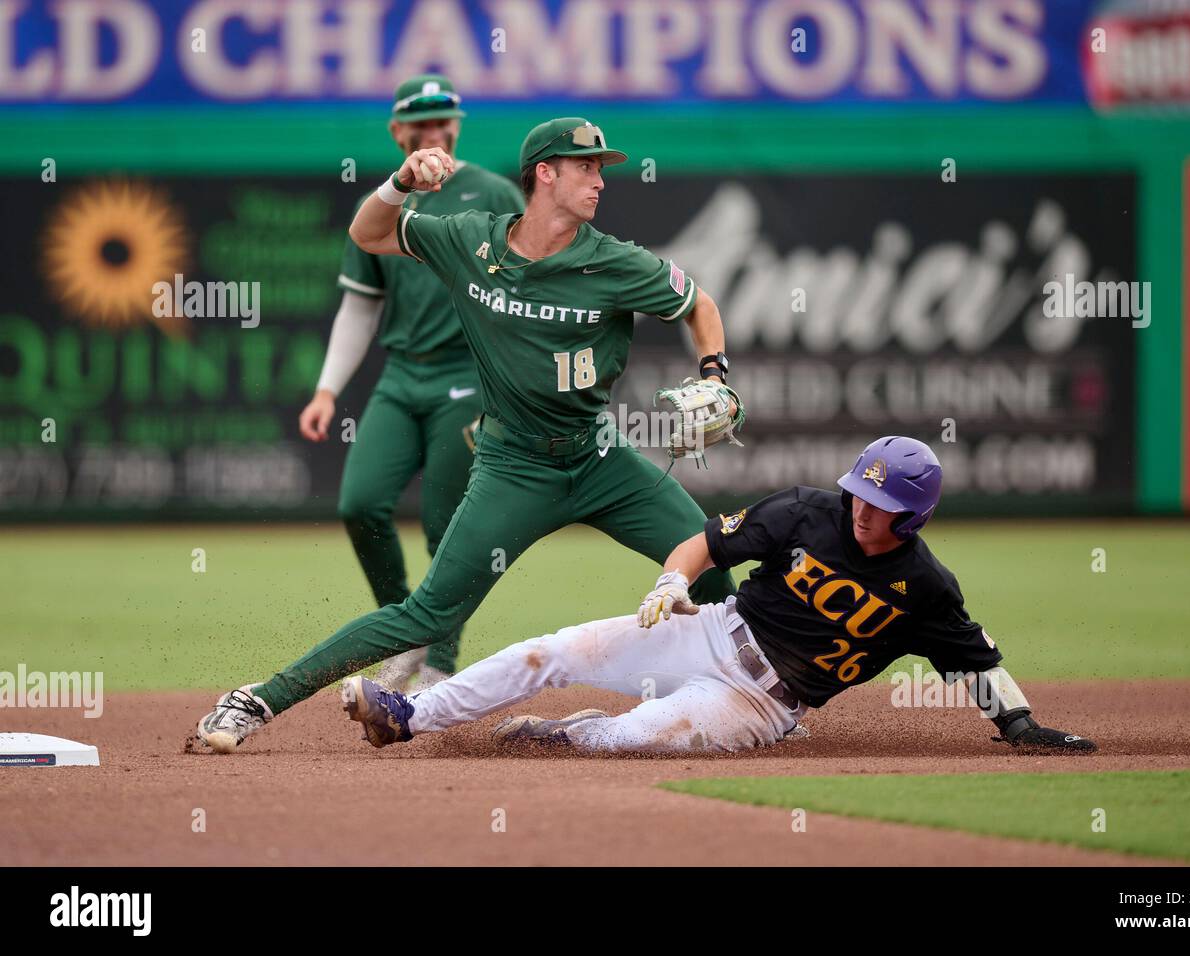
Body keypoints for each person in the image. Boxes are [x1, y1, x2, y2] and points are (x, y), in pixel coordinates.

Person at [196, 118, 739, 753]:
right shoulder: (469, 242)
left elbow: (700, 305)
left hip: (600, 461)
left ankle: (747, 693)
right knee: (429, 614)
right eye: (585, 166)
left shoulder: (614, 261)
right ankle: (258, 700)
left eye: (602, 168)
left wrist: (715, 374)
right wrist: (401, 181)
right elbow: (368, 231)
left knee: (709, 561)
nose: (599, 179)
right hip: (515, 467)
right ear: (545, 173)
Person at [339, 436, 1098, 755]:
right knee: (553, 649)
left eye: (883, 506)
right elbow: (710, 540)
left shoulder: (925, 588)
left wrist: (1021, 725)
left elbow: (973, 658)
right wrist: (674, 579)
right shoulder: (807, 510)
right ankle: (408, 715)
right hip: (710, 632)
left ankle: (562, 735)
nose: (864, 512)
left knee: (635, 738)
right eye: (860, 496)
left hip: (764, 703)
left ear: (916, 516)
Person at [298, 73, 524, 693]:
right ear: (397, 132)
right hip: (402, 375)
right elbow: (360, 305)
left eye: (443, 118)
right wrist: (326, 390)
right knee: (359, 503)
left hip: (468, 376)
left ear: (457, 126)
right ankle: (405, 629)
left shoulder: (496, 191)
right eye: (418, 121)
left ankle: (440, 664)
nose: (432, 130)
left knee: (445, 525)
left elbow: (527, 289)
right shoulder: (384, 200)